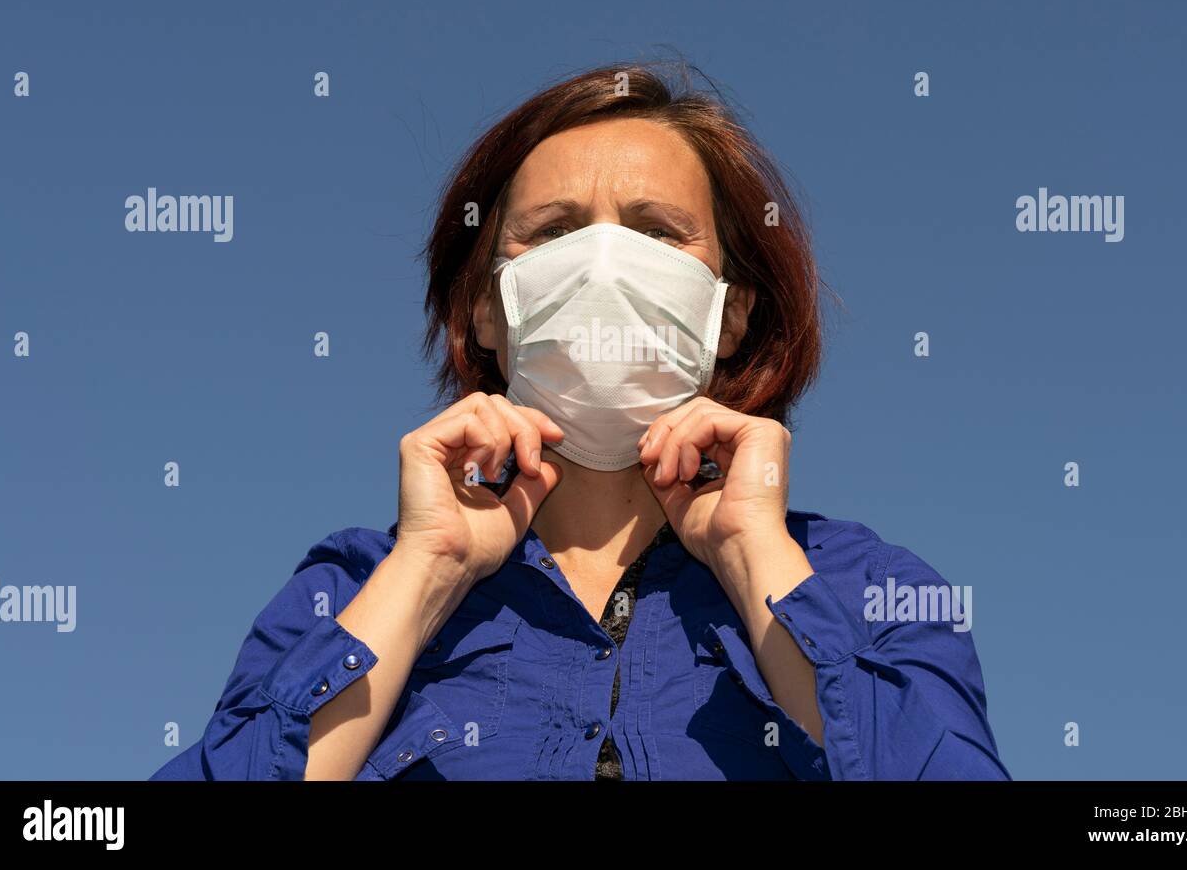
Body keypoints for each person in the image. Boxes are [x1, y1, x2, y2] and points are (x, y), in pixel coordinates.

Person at [150, 61, 1009, 781]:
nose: (602, 262)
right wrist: (423, 573)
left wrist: (755, 554)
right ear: (489, 311)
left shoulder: (868, 587)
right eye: (553, 231)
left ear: (729, 311)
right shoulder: (348, 588)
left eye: (657, 232)